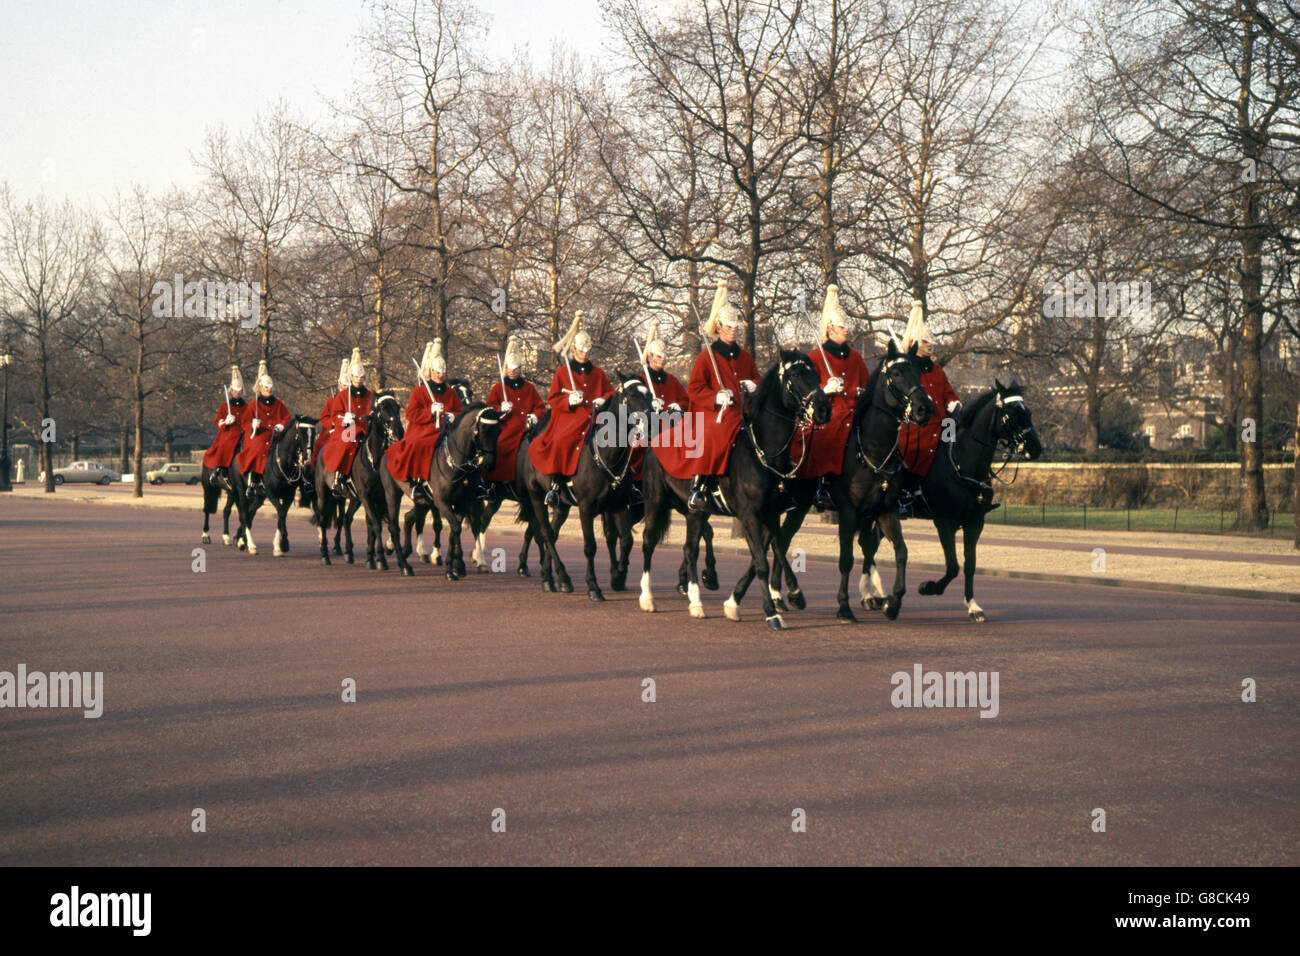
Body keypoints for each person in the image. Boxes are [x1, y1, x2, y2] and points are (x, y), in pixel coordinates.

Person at [684, 280, 759, 511]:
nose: (733, 330)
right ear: (718, 328)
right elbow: (695, 388)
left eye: (735, 326)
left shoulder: (745, 357)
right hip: (715, 414)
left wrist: (754, 385)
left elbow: (757, 378)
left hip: (743, 411)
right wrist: (716, 397)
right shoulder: (706, 358)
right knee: (714, 435)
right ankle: (700, 485)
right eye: (729, 327)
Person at [527, 310, 613, 507]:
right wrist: (569, 401)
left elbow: (611, 393)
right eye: (581, 350)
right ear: (573, 350)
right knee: (560, 441)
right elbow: (553, 399)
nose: (585, 354)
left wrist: (602, 400)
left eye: (587, 350)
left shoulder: (598, 374)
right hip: (569, 419)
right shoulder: (562, 373)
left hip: (594, 417)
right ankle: (556, 485)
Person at [797, 286, 871, 511]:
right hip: (827, 412)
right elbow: (806, 390)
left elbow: (866, 383)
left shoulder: (856, 357)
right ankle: (823, 483)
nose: (847, 330)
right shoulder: (816, 356)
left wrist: (862, 392)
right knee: (829, 432)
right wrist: (824, 389)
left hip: (854, 410)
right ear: (830, 329)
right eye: (842, 326)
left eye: (847, 326)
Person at [897, 300, 961, 517]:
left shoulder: (936, 370)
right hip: (918, 425)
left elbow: (948, 392)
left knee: (959, 444)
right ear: (915, 342)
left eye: (931, 341)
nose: (930, 344)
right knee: (914, 449)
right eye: (925, 341)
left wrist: (954, 402)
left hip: (943, 424)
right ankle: (910, 494)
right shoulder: (908, 368)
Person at [385, 339, 462, 505]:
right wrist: (430, 412)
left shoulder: (451, 393)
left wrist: (452, 415)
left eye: (443, 373)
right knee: (417, 444)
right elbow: (411, 413)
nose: (440, 376)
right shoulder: (419, 391)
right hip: (423, 430)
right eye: (437, 373)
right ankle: (416, 482)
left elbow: (459, 410)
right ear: (432, 372)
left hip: (446, 429)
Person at [485, 336, 546, 495]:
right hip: (506, 427)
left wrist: (534, 416)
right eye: (510, 368)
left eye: (516, 368)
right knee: (501, 445)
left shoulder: (529, 388)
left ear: (520, 369)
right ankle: (495, 482)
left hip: (527, 428)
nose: (513, 371)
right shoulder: (499, 388)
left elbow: (540, 407)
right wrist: (500, 409)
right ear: (506, 368)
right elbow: (489, 408)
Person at [321, 348, 374, 498]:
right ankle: (339, 476)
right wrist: (344, 418)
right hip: (348, 429)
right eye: (356, 376)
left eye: (361, 376)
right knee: (346, 444)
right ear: (351, 377)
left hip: (366, 428)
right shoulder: (343, 395)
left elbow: (373, 410)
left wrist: (371, 417)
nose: (359, 379)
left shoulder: (370, 395)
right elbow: (335, 414)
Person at [235, 360, 292, 495]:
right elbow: (244, 422)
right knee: (258, 447)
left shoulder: (278, 404)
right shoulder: (253, 404)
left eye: (270, 387)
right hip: (259, 435)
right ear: (261, 388)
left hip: (275, 434)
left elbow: (287, 417)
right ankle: (253, 479)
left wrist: (281, 425)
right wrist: (252, 425)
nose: (269, 389)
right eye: (266, 387)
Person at [201, 365, 250, 488]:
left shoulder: (247, 406)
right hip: (229, 432)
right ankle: (219, 470)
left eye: (239, 391)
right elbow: (218, 422)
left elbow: (248, 420)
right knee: (226, 444)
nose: (237, 393)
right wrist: (226, 422)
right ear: (231, 391)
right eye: (235, 391)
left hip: (244, 432)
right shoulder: (224, 406)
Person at [312, 358, 350, 472]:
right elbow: (324, 417)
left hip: (349, 430)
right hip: (332, 431)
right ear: (339, 385)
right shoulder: (331, 401)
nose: (346, 389)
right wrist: (333, 423)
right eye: (344, 386)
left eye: (348, 386)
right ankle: (314, 472)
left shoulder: (352, 400)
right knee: (321, 445)